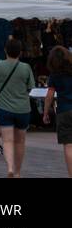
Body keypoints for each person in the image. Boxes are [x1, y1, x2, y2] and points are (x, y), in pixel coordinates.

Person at [0, 36, 36, 178]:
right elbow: (30, 87)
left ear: (5, 51)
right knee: (20, 141)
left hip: (4, 108)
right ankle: (17, 172)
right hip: (23, 109)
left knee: (7, 140)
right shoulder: (26, 68)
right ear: (20, 52)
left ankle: (9, 167)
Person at [42, 45, 72, 178]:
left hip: (64, 111)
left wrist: (45, 111)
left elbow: (50, 94)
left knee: (68, 146)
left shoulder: (54, 75)